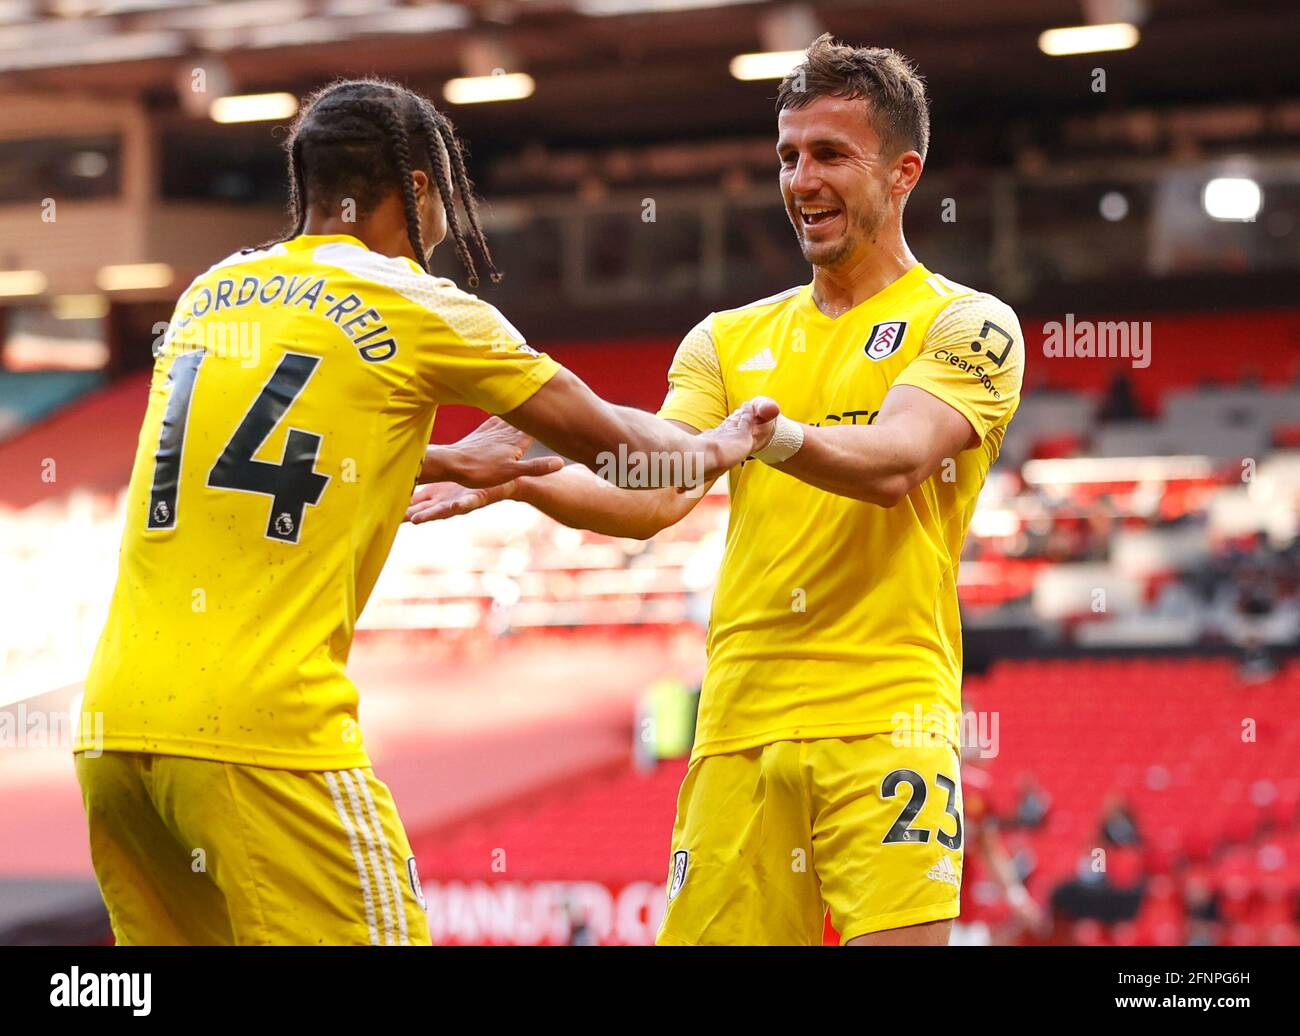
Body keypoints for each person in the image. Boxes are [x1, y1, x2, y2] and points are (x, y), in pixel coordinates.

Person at [73, 78, 772, 946]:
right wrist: (724, 443)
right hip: (262, 735)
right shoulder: (418, 304)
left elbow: (241, 463)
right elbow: (626, 455)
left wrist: (435, 457)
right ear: (418, 187)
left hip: (116, 735)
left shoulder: (210, 295)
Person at [408, 37, 1026, 945]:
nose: (800, 179)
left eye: (828, 154)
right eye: (786, 156)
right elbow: (657, 492)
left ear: (903, 172)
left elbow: (896, 463)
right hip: (738, 723)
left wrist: (766, 437)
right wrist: (531, 477)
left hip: (886, 721)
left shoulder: (969, 322)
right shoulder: (724, 339)